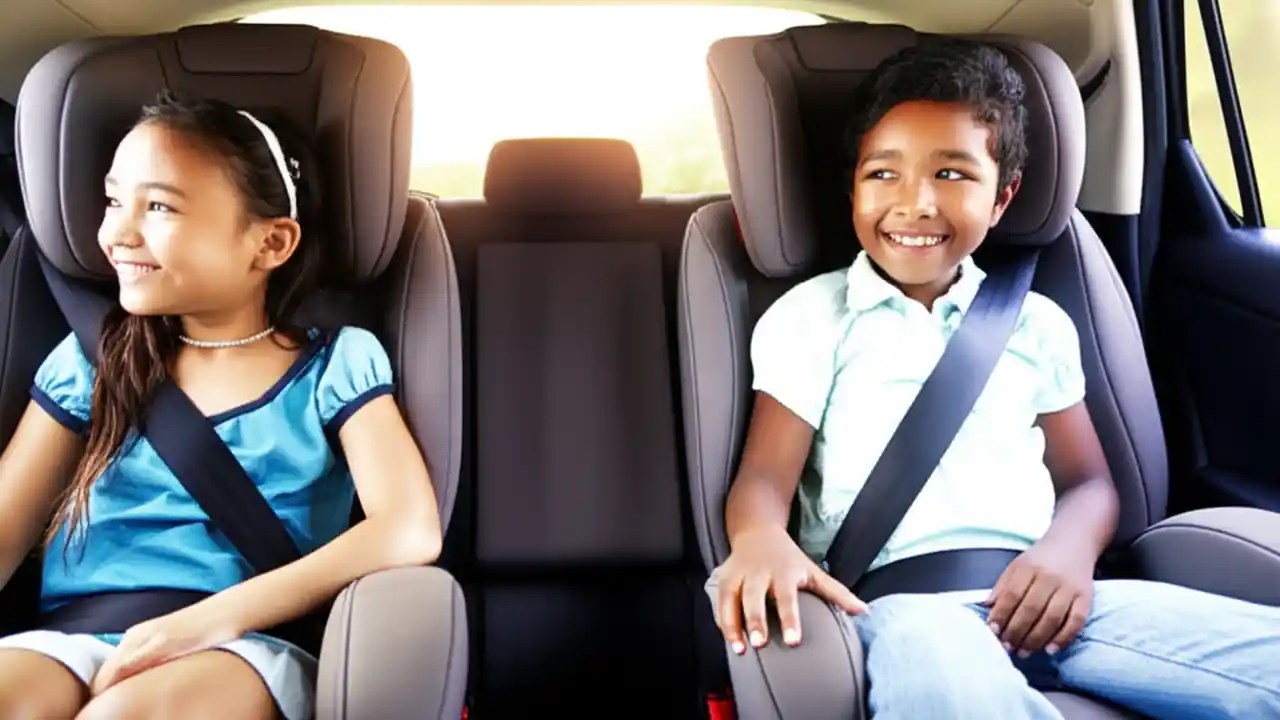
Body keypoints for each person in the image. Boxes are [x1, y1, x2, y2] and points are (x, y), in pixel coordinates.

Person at [707, 38, 1280, 719]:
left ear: (1003, 197)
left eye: (952, 174)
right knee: (954, 693)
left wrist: (1068, 554)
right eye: (884, 175)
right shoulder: (813, 318)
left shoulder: (1036, 324)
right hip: (906, 609)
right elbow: (764, 480)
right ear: (853, 186)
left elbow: (1090, 483)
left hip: (1058, 597)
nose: (915, 203)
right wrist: (761, 540)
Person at [0, 90, 442, 720]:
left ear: (270, 243)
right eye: (113, 200)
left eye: (159, 206)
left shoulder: (331, 367)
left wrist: (206, 621)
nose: (118, 233)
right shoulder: (89, 363)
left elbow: (408, 527)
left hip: (243, 646)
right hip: (70, 640)